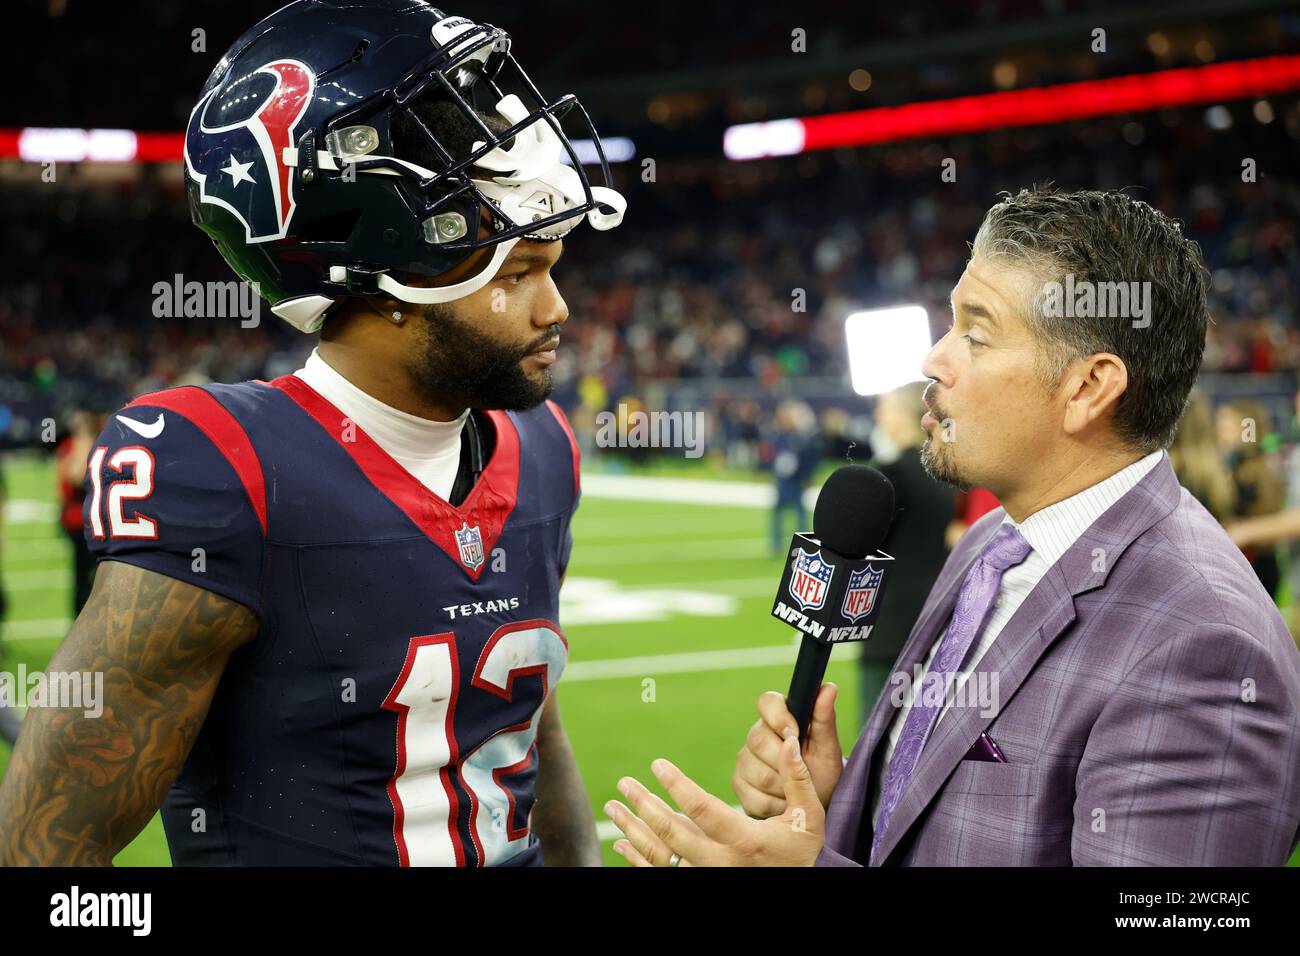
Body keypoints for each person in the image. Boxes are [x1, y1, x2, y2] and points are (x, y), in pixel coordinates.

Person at [0, 0, 625, 866]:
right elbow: (44, 848)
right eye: (517, 271)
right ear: (386, 272)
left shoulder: (544, 448)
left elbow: (528, 730)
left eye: (551, 267)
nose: (556, 309)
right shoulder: (226, 470)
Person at [605, 186, 1300, 866]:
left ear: (1088, 388)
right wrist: (845, 799)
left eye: (976, 333)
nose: (934, 360)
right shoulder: (992, 542)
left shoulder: (1204, 645)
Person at [859, 382, 953, 724]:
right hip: (934, 617)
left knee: (874, 741)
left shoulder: (890, 473)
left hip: (888, 621)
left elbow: (862, 545)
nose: (878, 415)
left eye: (884, 407)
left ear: (902, 413)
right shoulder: (942, 473)